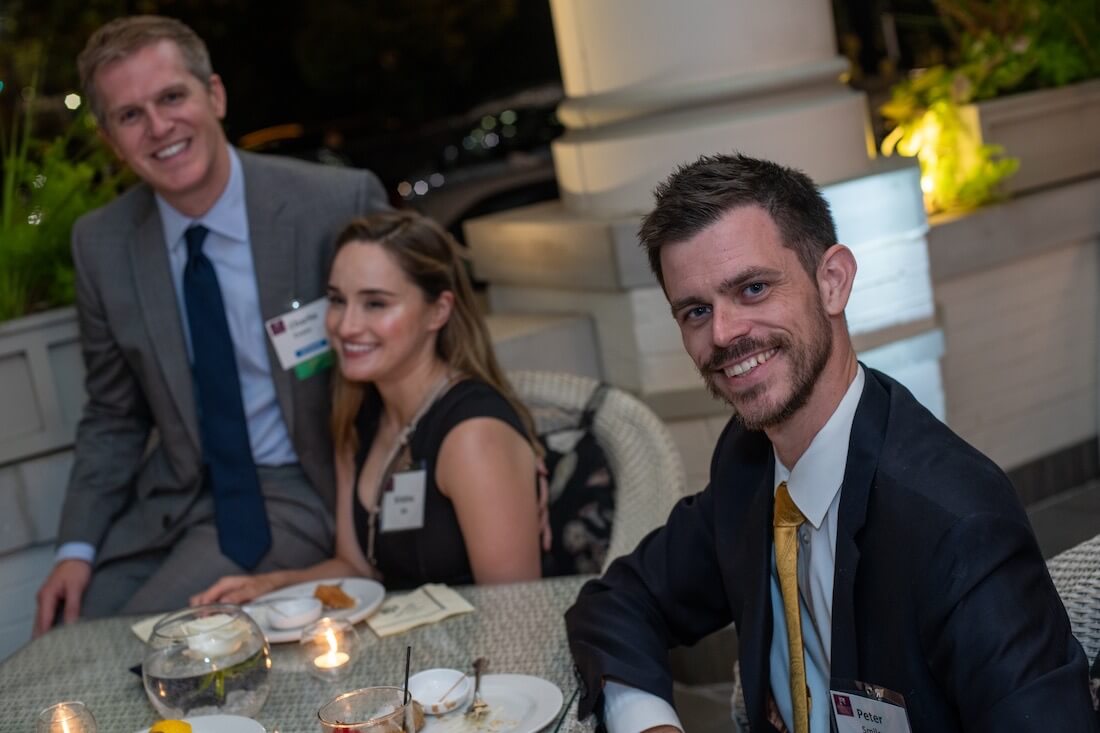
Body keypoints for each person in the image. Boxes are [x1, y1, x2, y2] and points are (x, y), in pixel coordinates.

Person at [565, 153, 1096, 732]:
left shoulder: (954, 524)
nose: (723, 333)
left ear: (833, 282)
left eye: (753, 288)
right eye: (696, 311)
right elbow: (618, 602)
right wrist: (649, 723)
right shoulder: (750, 462)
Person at [33, 15, 390, 634]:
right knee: (69, 629)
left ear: (215, 96)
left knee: (138, 641)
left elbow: (425, 337)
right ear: (112, 139)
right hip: (175, 498)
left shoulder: (333, 205)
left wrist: (484, 447)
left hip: (302, 486)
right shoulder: (103, 244)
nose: (159, 127)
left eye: (172, 97)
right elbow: (114, 414)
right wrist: (76, 548)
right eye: (131, 115)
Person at [192, 209, 543, 603]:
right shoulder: (359, 414)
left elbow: (517, 608)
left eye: (375, 303)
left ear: (439, 311)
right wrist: (271, 585)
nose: (346, 326)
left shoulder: (473, 435)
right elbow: (358, 568)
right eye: (337, 300)